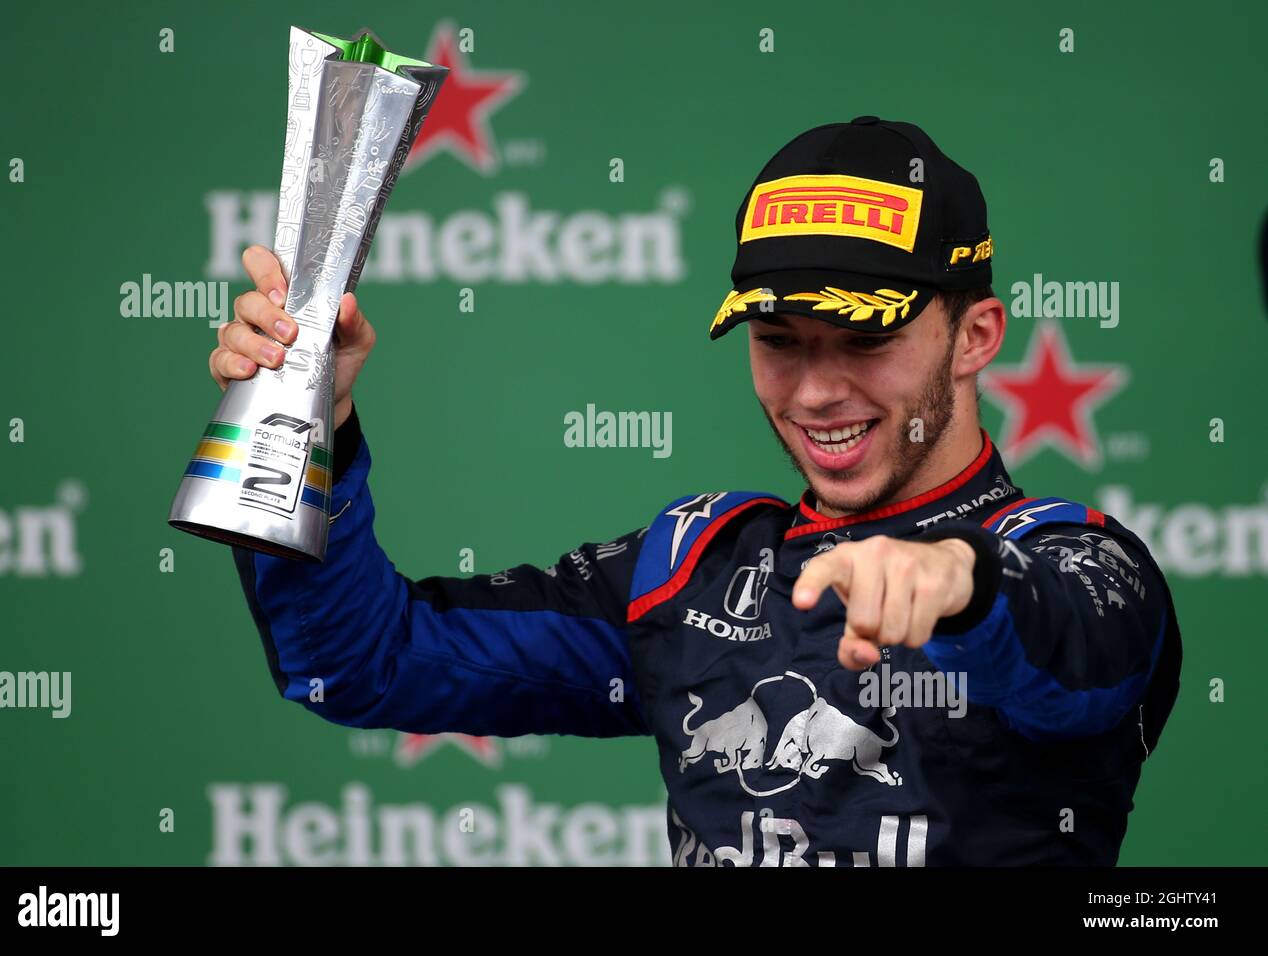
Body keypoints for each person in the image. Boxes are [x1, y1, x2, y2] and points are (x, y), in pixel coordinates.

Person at [211, 117, 1182, 866]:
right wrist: (304, 424)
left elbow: (1069, 637)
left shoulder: (1074, 559)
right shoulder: (696, 564)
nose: (814, 390)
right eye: (778, 342)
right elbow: (361, 662)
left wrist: (958, 579)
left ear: (975, 335)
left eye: (864, 339)